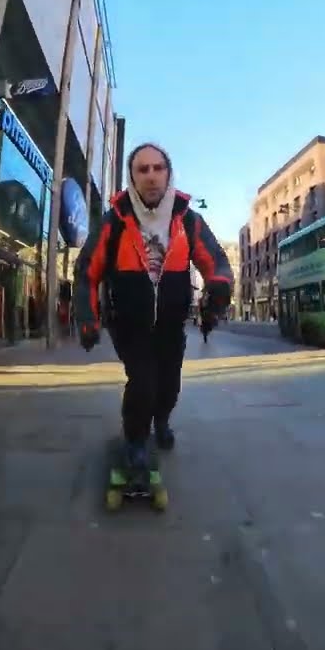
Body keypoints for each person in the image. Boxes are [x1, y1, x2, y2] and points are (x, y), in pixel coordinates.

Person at [73, 142, 233, 468]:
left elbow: (216, 262)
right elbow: (87, 272)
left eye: (158, 168)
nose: (151, 176)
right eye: (142, 169)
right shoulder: (114, 221)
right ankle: (135, 439)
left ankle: (161, 420)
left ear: (168, 173)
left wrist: (217, 290)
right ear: (132, 177)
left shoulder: (188, 220)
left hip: (172, 324)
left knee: (169, 384)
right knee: (143, 382)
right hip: (129, 324)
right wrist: (87, 317)